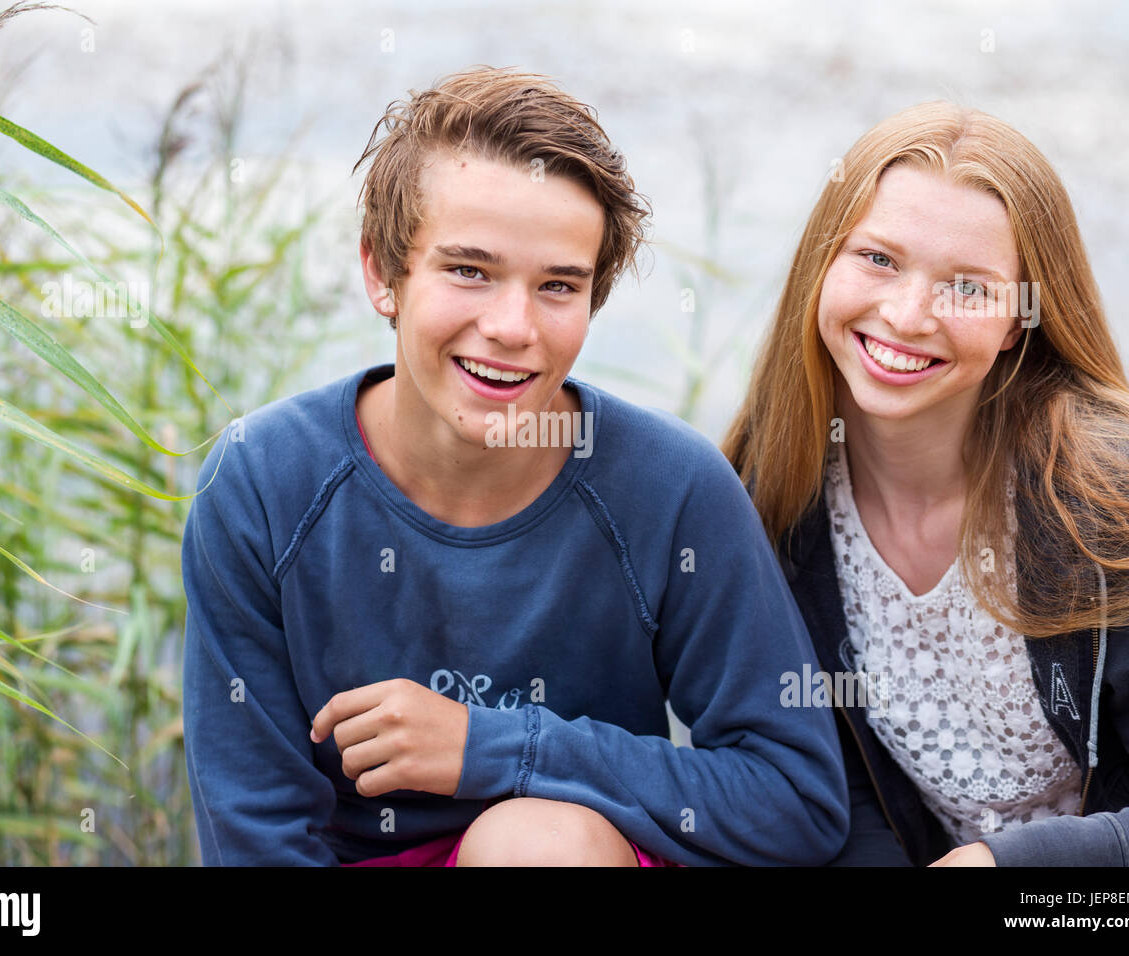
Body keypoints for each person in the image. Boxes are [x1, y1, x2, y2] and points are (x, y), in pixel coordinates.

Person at [181, 66, 848, 866]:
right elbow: (256, 833)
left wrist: (496, 748)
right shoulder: (260, 484)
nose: (511, 326)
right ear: (381, 273)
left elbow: (797, 804)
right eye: (469, 270)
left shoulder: (672, 489)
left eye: (557, 286)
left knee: (531, 843)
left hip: (568, 856)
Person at [723, 100, 1129, 866]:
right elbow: (829, 785)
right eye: (877, 258)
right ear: (821, 265)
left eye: (967, 287)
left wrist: (1007, 868)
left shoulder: (1112, 497)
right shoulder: (772, 488)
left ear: (1018, 323)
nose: (907, 315)